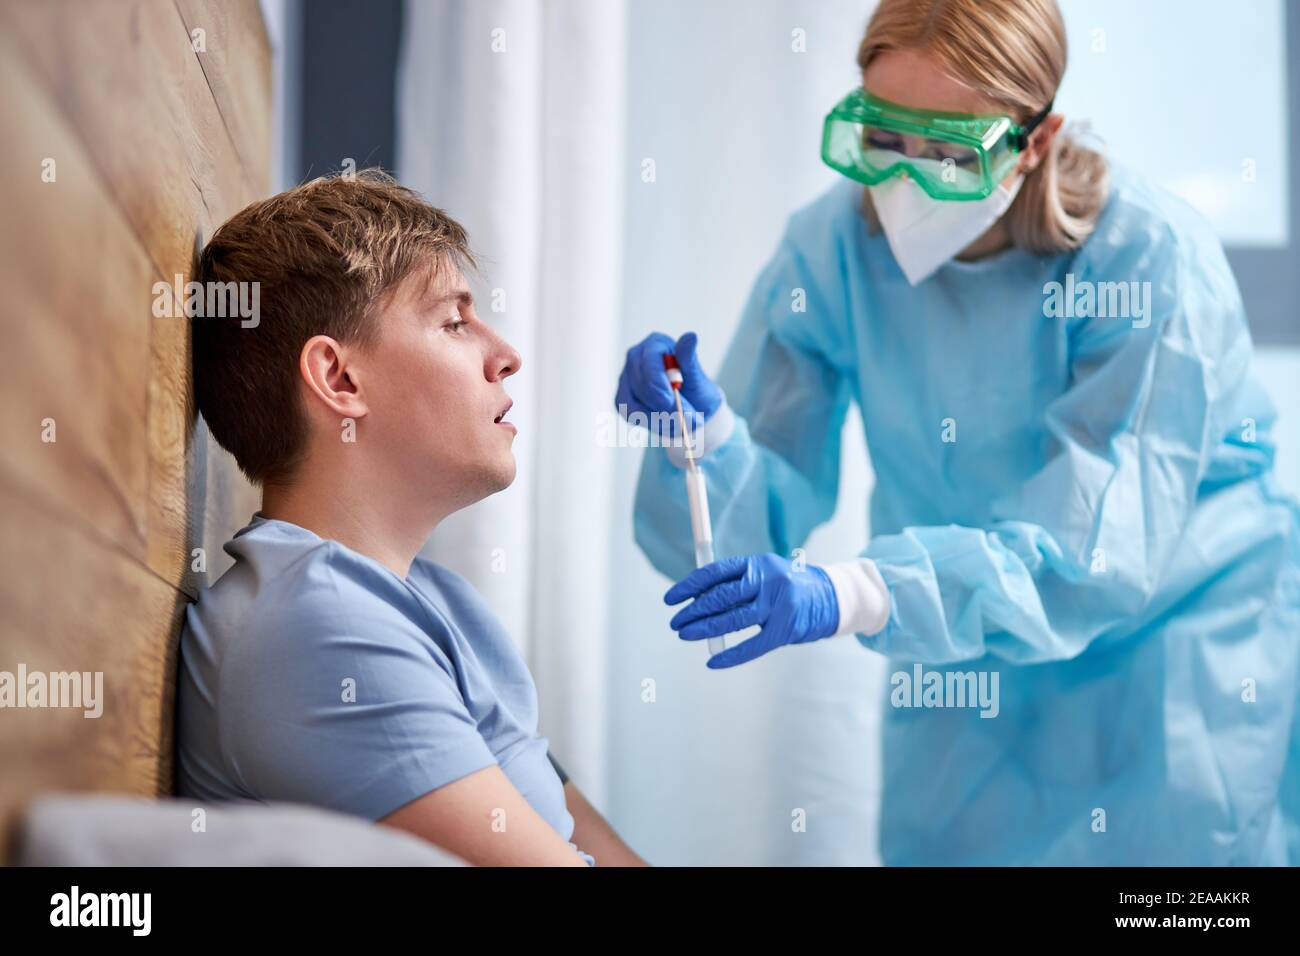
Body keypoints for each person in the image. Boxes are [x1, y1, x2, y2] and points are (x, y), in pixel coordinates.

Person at [619, 0, 1300, 865]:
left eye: (946, 150)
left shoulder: (1148, 259)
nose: (902, 181)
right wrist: (702, 442)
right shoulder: (829, 250)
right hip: (957, 638)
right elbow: (738, 532)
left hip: (1175, 647)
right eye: (880, 136)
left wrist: (859, 594)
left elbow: (1093, 555)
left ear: (1038, 139)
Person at [176, 170, 647, 867]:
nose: (506, 355)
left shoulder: (436, 601)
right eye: (455, 321)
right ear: (339, 380)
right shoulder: (319, 629)